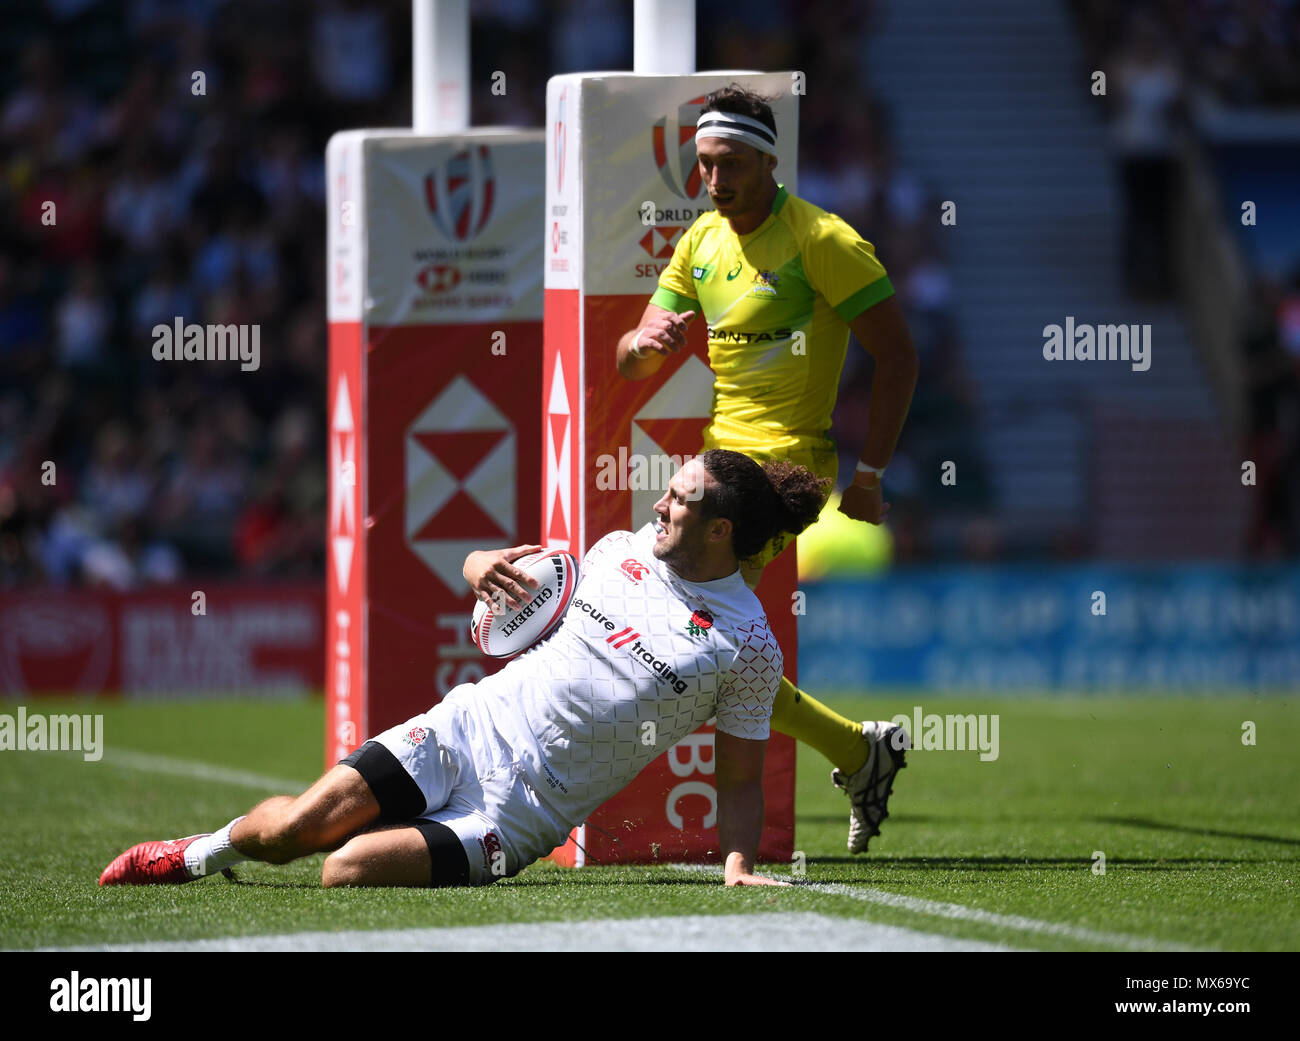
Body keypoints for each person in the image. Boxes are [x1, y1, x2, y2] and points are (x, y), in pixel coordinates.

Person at [100, 451, 828, 889]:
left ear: (721, 530)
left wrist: (736, 863)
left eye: (679, 499)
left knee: (343, 868)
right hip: (464, 727)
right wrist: (477, 563)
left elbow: (737, 775)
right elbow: (498, 570)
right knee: (295, 829)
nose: (661, 503)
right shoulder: (620, 548)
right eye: (667, 489)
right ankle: (200, 852)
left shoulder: (748, 643)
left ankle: (397, 830)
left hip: (515, 817)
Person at [616, 85, 918, 854]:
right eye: (705, 165)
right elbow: (626, 360)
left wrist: (872, 472)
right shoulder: (699, 241)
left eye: (731, 164)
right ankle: (860, 750)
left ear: (769, 159)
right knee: (710, 643)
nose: (715, 181)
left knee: (694, 631)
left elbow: (900, 355)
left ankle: (774, 816)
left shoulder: (824, 240)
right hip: (719, 461)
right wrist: (643, 345)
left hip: (790, 466)